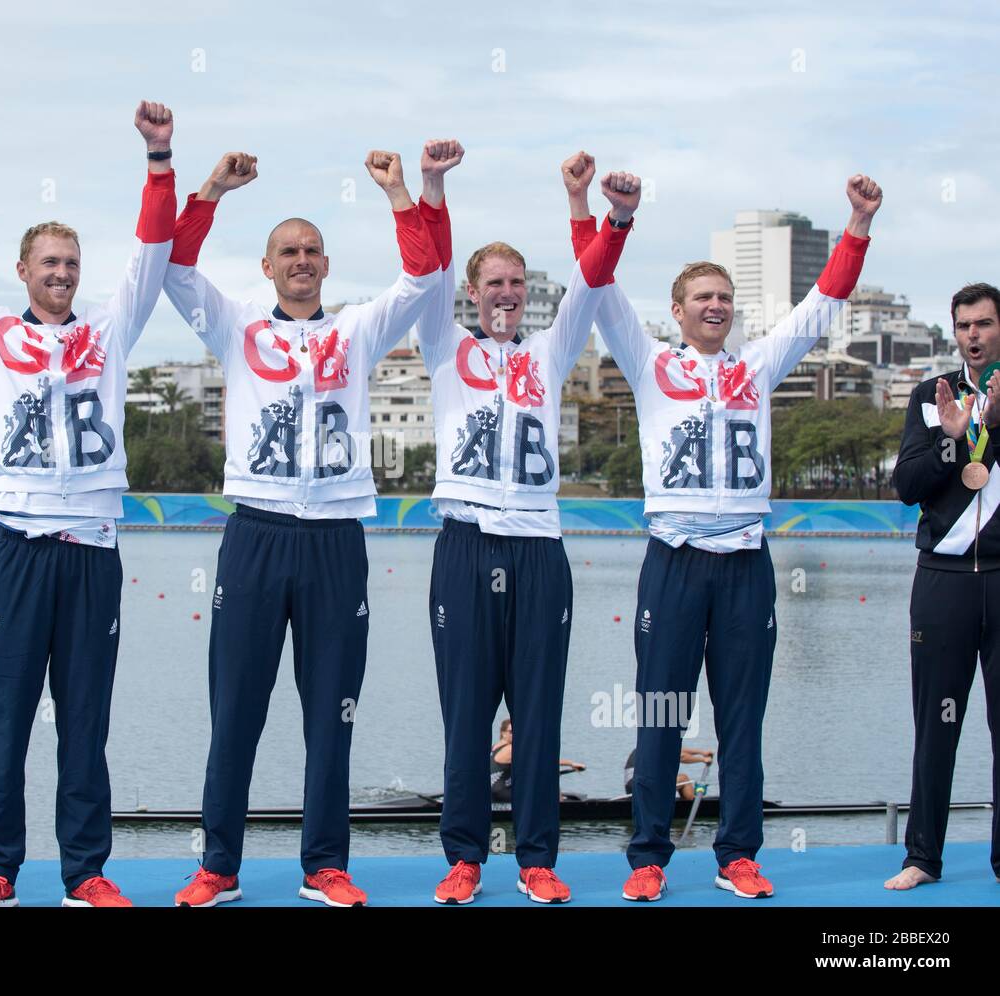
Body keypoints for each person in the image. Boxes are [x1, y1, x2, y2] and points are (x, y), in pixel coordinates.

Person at [570, 157, 882, 901]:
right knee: (661, 719)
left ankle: (737, 853)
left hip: (746, 562)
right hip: (673, 561)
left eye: (724, 298)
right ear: (676, 311)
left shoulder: (758, 365)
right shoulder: (647, 362)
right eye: (702, 298)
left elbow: (822, 303)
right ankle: (648, 858)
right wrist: (608, 217)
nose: (716, 307)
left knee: (743, 719)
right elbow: (595, 288)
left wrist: (859, 228)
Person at [163, 147, 444, 907]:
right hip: (255, 534)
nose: (301, 260)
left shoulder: (355, 332)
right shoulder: (236, 329)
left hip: (334, 541)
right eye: (288, 250)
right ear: (265, 264)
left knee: (332, 712)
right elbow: (174, 269)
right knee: (236, 711)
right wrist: (211, 188)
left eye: (313, 250)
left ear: (326, 264)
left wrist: (396, 192)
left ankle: (324, 865)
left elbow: (423, 277)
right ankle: (219, 866)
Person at [0, 102, 177, 907]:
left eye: (71, 264)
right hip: (19, 548)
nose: (62, 275)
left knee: (85, 725)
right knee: (7, 722)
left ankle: (86, 872)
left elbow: (155, 251)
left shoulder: (111, 331)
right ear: (24, 272)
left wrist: (159, 157)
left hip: (94, 549)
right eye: (49, 264)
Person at [414, 144, 636, 904]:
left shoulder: (550, 350)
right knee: (467, 711)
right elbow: (430, 267)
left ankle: (537, 857)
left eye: (516, 283)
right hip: (466, 547)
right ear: (473, 293)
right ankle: (466, 858)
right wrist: (433, 186)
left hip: (541, 549)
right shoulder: (443, 346)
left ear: (527, 293)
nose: (505, 293)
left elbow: (595, 280)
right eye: (493, 283)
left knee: (538, 711)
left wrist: (608, 212)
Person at [885, 282, 1000, 891]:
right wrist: (953, 438)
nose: (973, 336)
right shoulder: (932, 397)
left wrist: (997, 428)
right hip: (944, 581)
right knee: (936, 724)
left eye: (983, 324)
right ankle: (923, 857)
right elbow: (907, 485)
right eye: (964, 327)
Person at [491, 719, 586, 806]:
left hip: (491, 793)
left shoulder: (493, 747)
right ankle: (559, 805)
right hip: (502, 793)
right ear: (503, 733)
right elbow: (543, 761)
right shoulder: (510, 749)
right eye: (511, 732)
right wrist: (571, 764)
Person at [623, 745, 714, 800]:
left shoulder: (648, 745)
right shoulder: (658, 747)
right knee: (683, 779)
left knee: (670, 779)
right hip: (641, 787)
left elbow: (679, 750)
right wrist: (703, 759)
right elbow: (681, 756)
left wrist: (702, 752)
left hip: (633, 789)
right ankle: (693, 805)